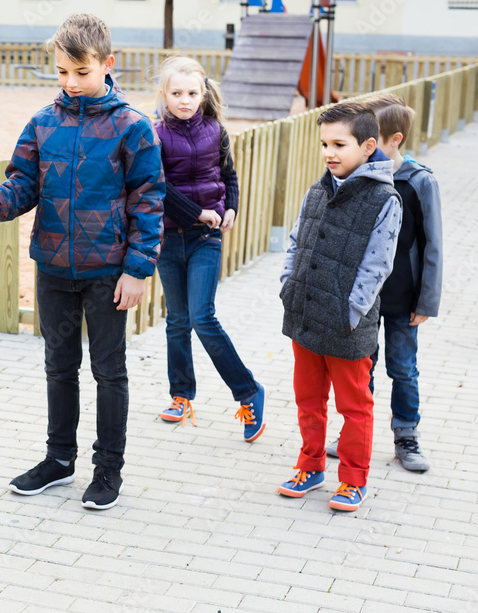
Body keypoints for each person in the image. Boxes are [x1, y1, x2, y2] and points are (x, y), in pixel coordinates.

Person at [0, 13, 164, 511]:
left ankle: (107, 469)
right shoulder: (42, 121)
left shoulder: (133, 127)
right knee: (59, 366)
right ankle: (59, 460)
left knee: (108, 371)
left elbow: (148, 201)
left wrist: (138, 268)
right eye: (61, 73)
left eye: (81, 73)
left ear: (107, 64)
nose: (70, 83)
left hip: (107, 272)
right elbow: (23, 182)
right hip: (54, 266)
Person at [277, 101, 402, 512]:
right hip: (304, 313)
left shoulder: (385, 199)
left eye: (339, 144)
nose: (329, 152)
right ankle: (310, 466)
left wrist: (352, 311)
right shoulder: (318, 188)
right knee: (308, 399)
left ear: (368, 146)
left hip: (348, 325)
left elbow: (378, 264)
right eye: (324, 144)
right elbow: (296, 240)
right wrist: (287, 284)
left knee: (354, 406)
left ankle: (352, 479)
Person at [324, 93, 442, 472]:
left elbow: (432, 245)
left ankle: (406, 436)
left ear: (393, 140)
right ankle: (354, 434)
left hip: (404, 298)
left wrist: (426, 303)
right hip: (364, 298)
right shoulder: (357, 178)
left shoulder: (419, 182)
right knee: (361, 368)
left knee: (403, 368)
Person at [151, 56, 266, 440]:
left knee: (202, 317)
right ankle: (181, 394)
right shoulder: (154, 134)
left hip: (206, 239)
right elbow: (159, 188)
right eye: (177, 93)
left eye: (192, 93)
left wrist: (230, 205)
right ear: (164, 94)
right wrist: (197, 212)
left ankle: (248, 391)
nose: (185, 100)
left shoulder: (215, 130)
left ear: (203, 94)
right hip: (170, 238)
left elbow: (228, 174)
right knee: (177, 321)